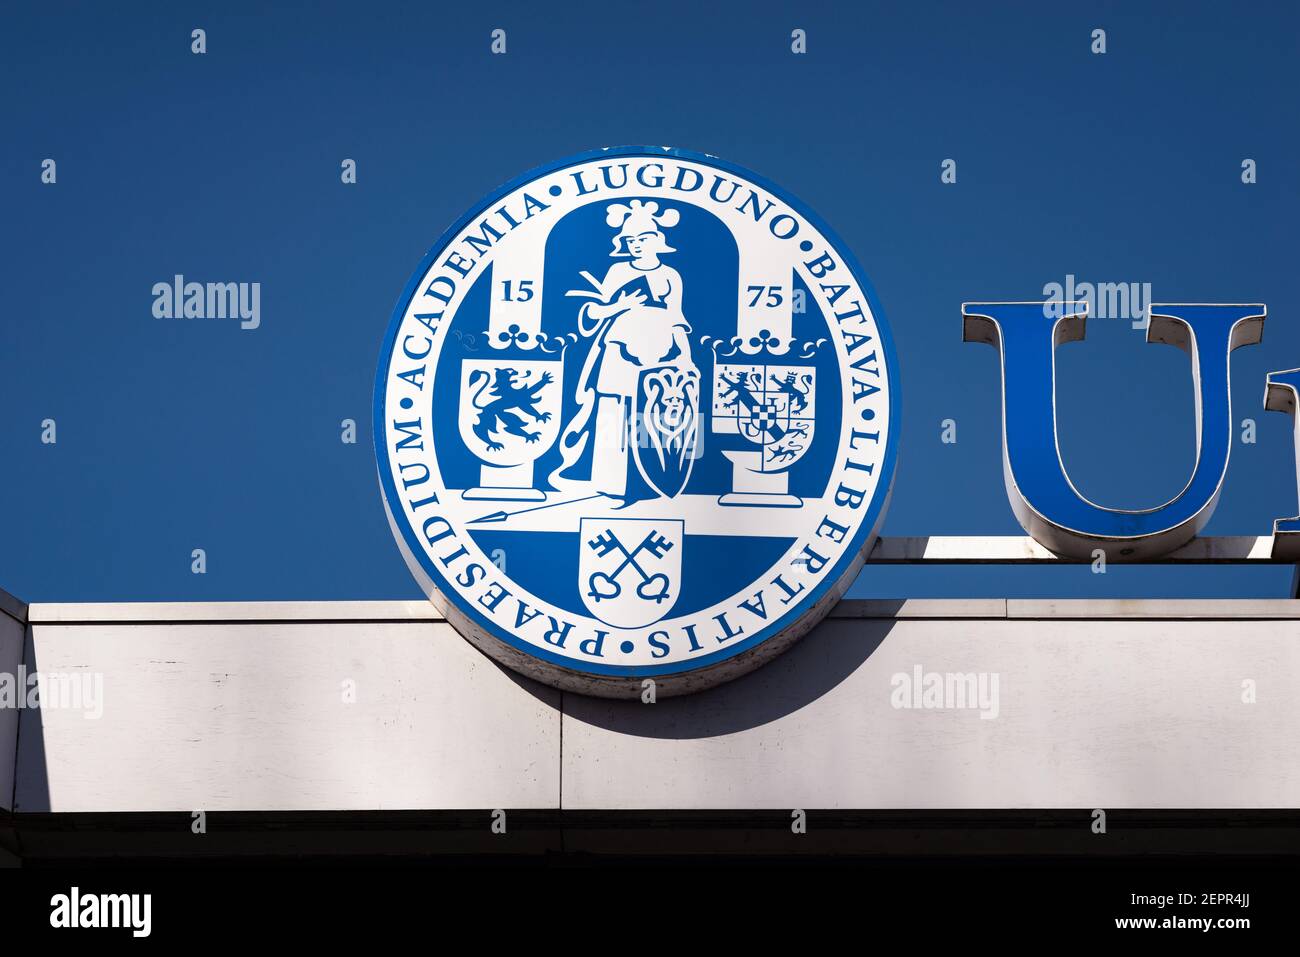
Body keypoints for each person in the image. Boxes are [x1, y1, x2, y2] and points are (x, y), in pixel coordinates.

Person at [550, 200, 698, 503]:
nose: (636, 246)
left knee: (650, 417)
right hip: (619, 349)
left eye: (643, 239)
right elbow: (595, 312)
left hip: (660, 353)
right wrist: (620, 306)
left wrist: (685, 357)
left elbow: (677, 319)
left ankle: (646, 485)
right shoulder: (618, 270)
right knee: (613, 414)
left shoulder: (672, 275)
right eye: (630, 241)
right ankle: (611, 485)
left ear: (657, 240)